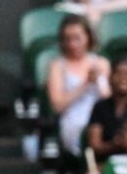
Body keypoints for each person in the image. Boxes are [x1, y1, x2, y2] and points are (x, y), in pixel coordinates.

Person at [45, 14, 109, 159]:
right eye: (68, 39)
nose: (72, 44)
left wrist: (99, 80)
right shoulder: (57, 65)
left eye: (77, 38)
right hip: (74, 121)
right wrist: (85, 84)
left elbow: (108, 98)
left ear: (88, 37)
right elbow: (57, 105)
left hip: (100, 119)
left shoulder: (101, 63)